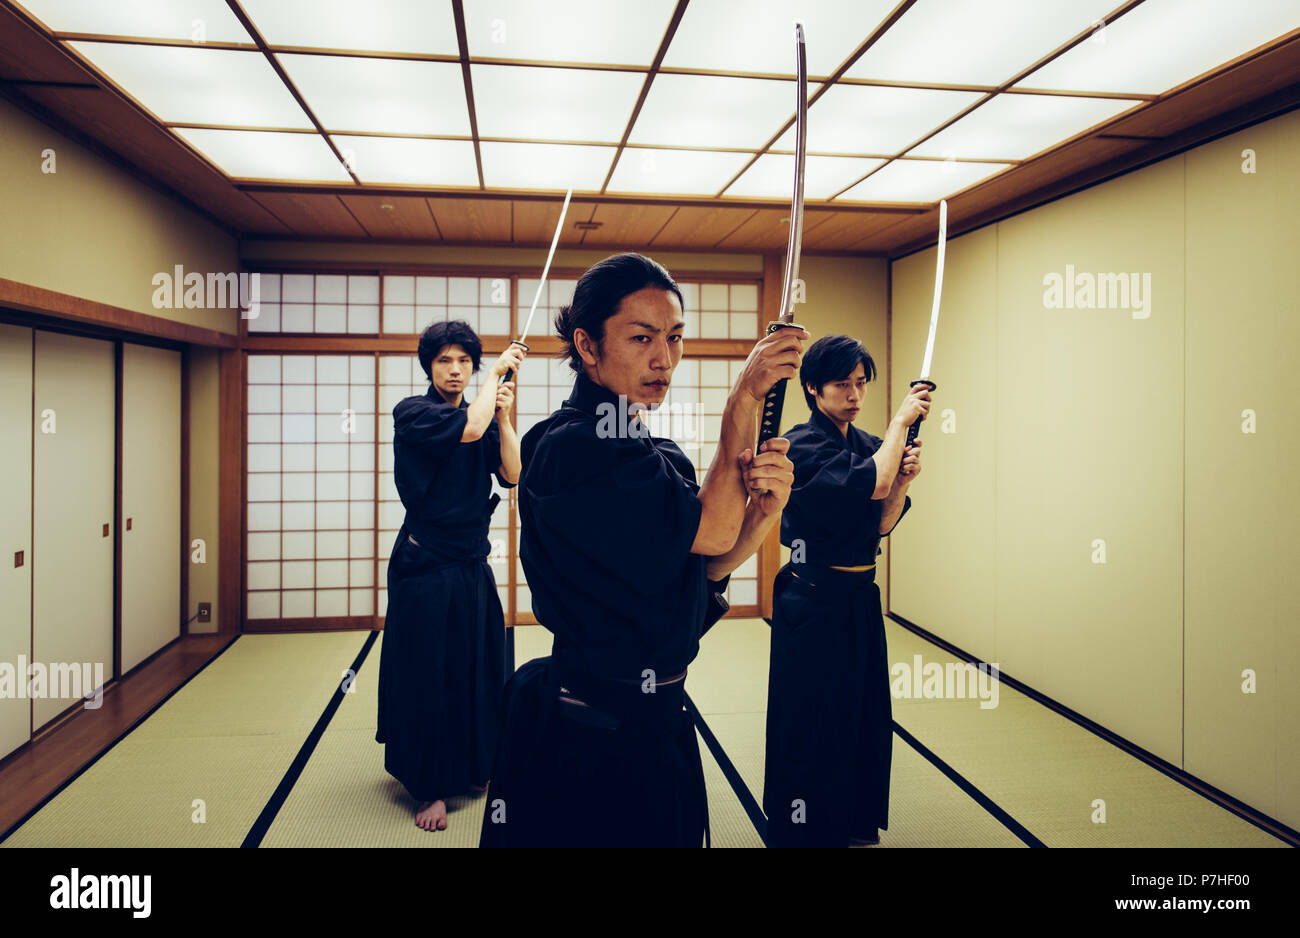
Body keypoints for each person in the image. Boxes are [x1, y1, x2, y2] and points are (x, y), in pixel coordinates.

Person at [480, 253, 805, 847]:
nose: (664, 359)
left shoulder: (653, 450)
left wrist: (760, 518)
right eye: (642, 337)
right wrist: (743, 398)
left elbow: (696, 568)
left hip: (658, 717)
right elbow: (706, 532)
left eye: (675, 337)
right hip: (588, 733)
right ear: (587, 344)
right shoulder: (571, 447)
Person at [763, 334, 931, 847]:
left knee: (864, 712)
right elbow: (872, 483)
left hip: (860, 597)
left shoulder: (866, 445)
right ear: (813, 388)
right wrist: (900, 428)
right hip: (811, 598)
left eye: (861, 383)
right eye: (842, 383)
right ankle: (805, 828)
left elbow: (880, 521)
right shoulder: (801, 444)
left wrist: (903, 480)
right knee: (813, 715)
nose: (854, 394)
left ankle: (856, 821)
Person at [375, 320, 525, 832]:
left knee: (480, 666)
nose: (455, 369)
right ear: (429, 366)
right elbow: (469, 430)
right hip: (425, 568)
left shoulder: (480, 413)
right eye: (445, 360)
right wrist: (492, 387)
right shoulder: (414, 413)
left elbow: (512, 474)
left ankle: (475, 764)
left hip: (469, 564)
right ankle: (430, 786)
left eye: (465, 360)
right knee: (428, 674)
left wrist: (506, 415)